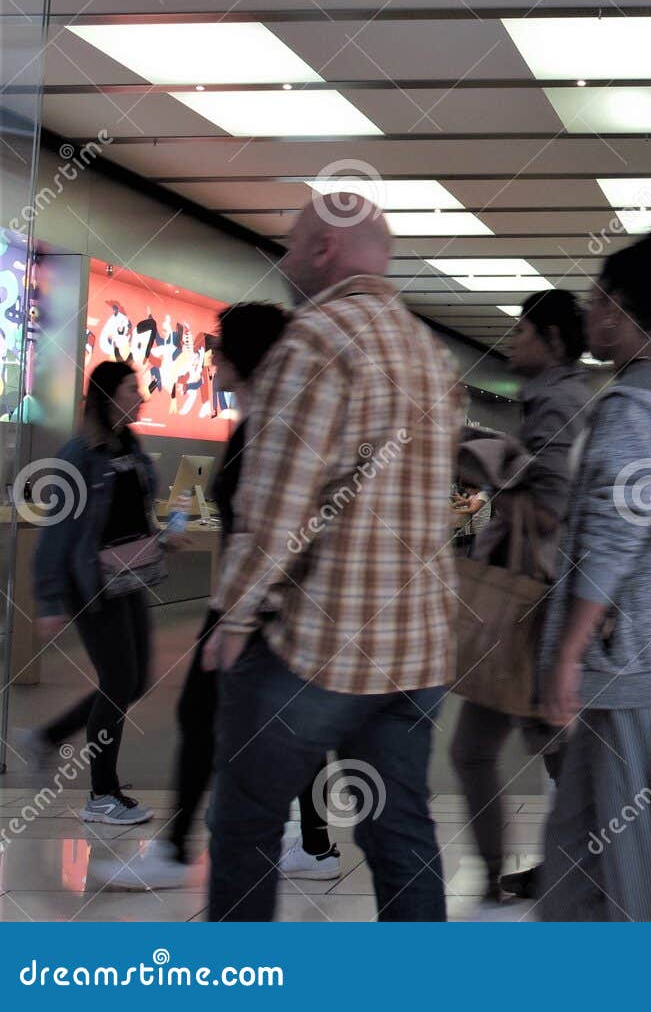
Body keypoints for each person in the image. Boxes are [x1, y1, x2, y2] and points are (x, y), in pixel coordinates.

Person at [203, 193, 464, 922]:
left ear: (322, 250)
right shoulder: (428, 350)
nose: (284, 262)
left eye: (289, 246)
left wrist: (232, 617)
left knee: (247, 827)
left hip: (317, 651)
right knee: (399, 830)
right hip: (415, 651)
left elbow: (276, 508)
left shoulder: (313, 339)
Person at [103, 303, 343, 891]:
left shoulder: (269, 427)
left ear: (241, 356)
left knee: (208, 716)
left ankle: (184, 848)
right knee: (272, 725)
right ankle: (310, 844)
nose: (211, 359)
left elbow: (269, 530)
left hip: (251, 605)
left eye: (218, 349)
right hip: (260, 604)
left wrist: (233, 618)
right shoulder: (266, 421)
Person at [536, 229, 651, 922]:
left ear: (616, 306)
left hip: (632, 658)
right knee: (581, 840)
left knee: (632, 855)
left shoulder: (632, 411)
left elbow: (617, 539)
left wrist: (566, 654)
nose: (587, 315)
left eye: (593, 301)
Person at [450, 289, 592, 918]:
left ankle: (552, 868)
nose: (514, 343)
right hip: (538, 599)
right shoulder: (557, 399)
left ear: (555, 340)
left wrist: (489, 465)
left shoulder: (557, 401)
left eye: (524, 332)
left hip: (528, 601)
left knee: (488, 748)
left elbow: (552, 505)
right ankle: (577, 861)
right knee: (546, 743)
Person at [23, 360, 189, 826]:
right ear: (107, 396)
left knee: (135, 680)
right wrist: (50, 601)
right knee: (119, 681)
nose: (141, 397)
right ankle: (101, 793)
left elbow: (132, 515)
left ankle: (48, 738)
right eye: (131, 389)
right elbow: (56, 534)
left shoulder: (130, 446)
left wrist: (163, 535)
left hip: (126, 577)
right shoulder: (80, 454)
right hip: (90, 586)